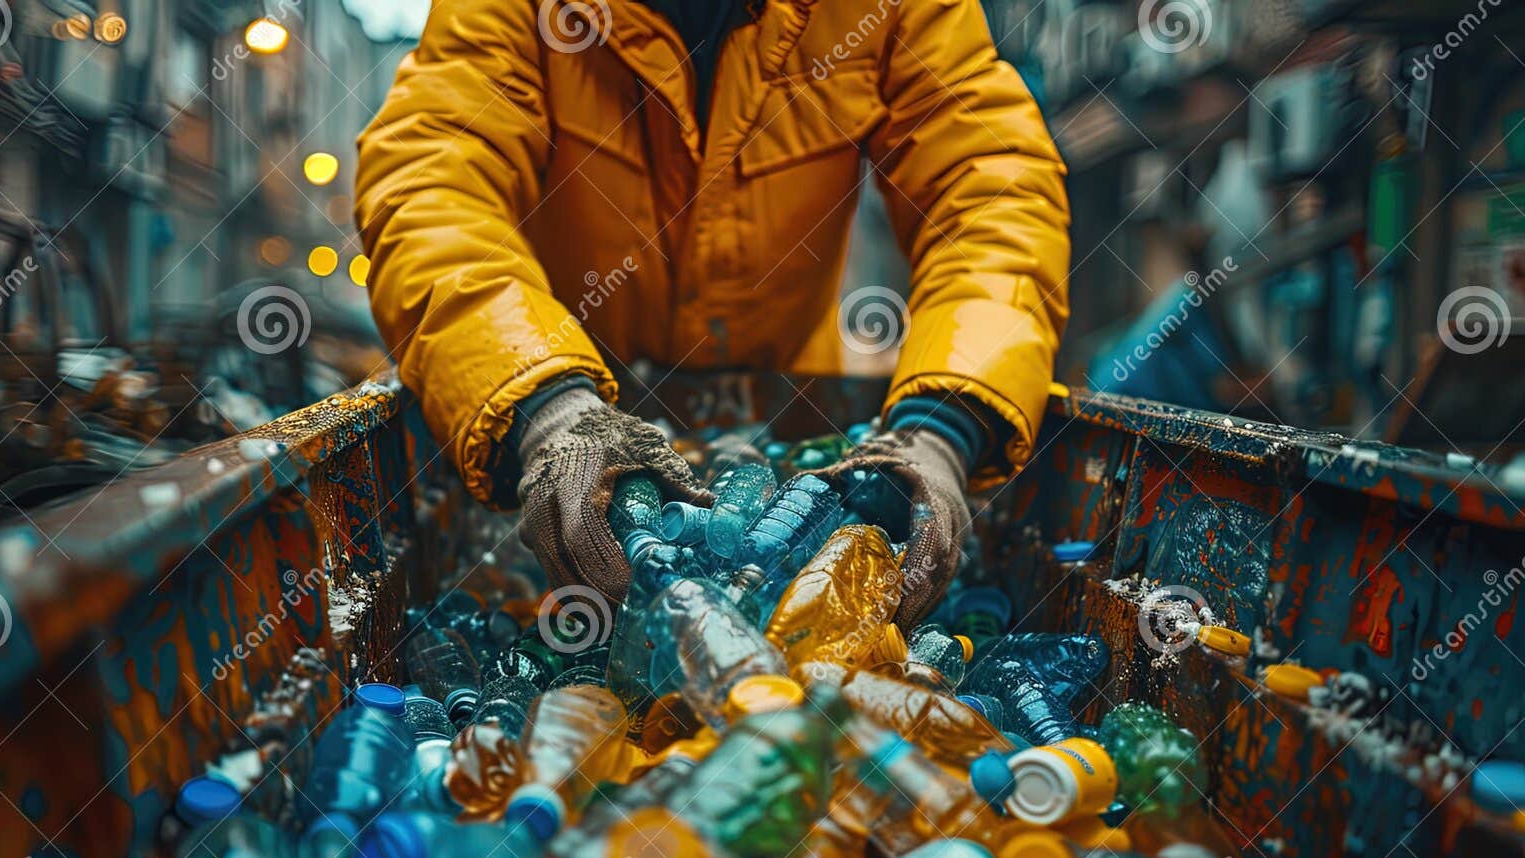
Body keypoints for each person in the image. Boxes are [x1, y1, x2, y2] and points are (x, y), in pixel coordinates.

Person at [355, 0, 1070, 628]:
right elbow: (431, 184)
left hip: (790, 422)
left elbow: (992, 194)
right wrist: (542, 405)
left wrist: (944, 425)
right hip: (578, 443)